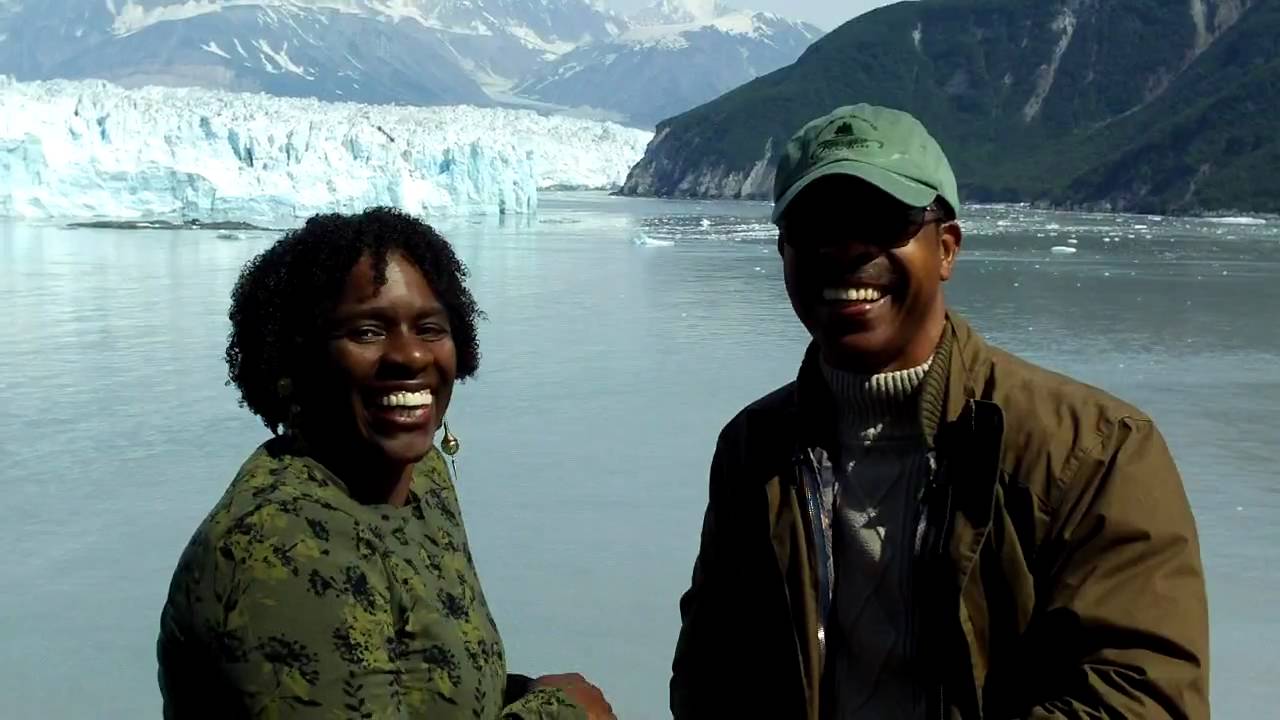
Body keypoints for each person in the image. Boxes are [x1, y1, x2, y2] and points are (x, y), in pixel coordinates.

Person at [670, 105, 1210, 719]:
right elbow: (710, 680)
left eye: (881, 219)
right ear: (783, 251)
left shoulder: (1093, 451)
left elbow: (1141, 699)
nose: (845, 248)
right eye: (813, 223)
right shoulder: (755, 448)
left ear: (946, 248)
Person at [158, 207, 615, 720]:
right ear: (296, 358)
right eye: (368, 331)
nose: (410, 356)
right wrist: (564, 714)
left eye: (429, 327)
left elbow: (405, 675)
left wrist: (519, 692)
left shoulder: (422, 481)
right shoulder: (280, 542)